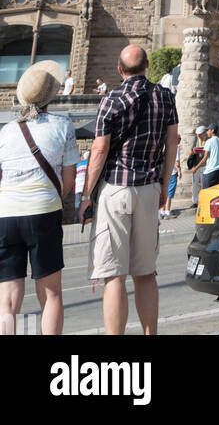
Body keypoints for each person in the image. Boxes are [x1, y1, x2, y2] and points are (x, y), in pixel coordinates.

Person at [79, 44, 179, 336]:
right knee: (146, 273)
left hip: (115, 188)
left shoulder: (111, 99)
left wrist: (87, 196)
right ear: (148, 65)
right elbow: (172, 141)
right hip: (148, 187)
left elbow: (99, 148)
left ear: (120, 70)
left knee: (114, 276)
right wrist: (163, 182)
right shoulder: (165, 95)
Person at [0, 62, 79, 336]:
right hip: (43, 210)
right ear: (51, 97)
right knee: (51, 294)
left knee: (7, 300)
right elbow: (69, 181)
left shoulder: (6, 131)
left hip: (6, 212)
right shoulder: (62, 125)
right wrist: (53, 197)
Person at [193, 124, 219, 189]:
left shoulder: (209, 141)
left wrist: (195, 168)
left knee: (206, 194)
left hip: (210, 173)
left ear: (212, 130)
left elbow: (204, 159)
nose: (207, 132)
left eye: (208, 130)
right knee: (216, 196)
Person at [160, 136, 181, 218]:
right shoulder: (176, 148)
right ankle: (167, 212)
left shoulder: (166, 148)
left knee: (163, 192)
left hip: (164, 173)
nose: (179, 141)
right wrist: (179, 171)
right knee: (169, 194)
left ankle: (162, 211)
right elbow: (177, 162)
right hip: (172, 173)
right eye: (179, 139)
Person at [75, 150, 89, 218]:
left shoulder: (78, 165)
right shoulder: (90, 163)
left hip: (78, 188)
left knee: (77, 206)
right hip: (88, 189)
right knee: (89, 207)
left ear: (83, 157)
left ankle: (76, 223)